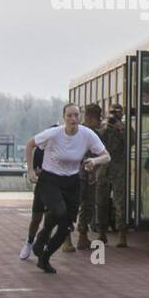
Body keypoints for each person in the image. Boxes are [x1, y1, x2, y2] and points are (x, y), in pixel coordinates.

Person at [26, 103, 109, 274]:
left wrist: (94, 161)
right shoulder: (54, 133)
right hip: (50, 180)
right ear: (64, 117)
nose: (73, 119)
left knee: (66, 225)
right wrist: (30, 171)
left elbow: (106, 156)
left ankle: (45, 257)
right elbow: (30, 144)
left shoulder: (87, 134)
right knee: (59, 212)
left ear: (80, 117)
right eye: (69, 115)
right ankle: (42, 238)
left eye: (76, 115)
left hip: (72, 181)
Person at [96, 103, 129, 247]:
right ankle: (101, 232)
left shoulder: (124, 128)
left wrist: (122, 130)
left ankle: (122, 234)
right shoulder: (104, 128)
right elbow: (95, 142)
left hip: (118, 168)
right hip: (103, 168)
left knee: (120, 202)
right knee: (101, 202)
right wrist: (105, 127)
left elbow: (132, 142)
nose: (114, 116)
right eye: (112, 112)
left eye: (117, 113)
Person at [19, 126, 53, 260]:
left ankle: (44, 244)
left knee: (51, 219)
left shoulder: (62, 149)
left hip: (57, 187)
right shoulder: (39, 151)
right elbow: (36, 169)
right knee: (36, 218)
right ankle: (29, 242)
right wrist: (33, 172)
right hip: (43, 186)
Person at [75, 103, 104, 250]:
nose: (100, 121)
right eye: (98, 118)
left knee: (88, 206)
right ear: (91, 118)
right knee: (73, 206)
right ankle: (66, 239)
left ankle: (82, 236)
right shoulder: (77, 132)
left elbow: (101, 155)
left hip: (89, 176)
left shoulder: (95, 134)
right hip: (77, 176)